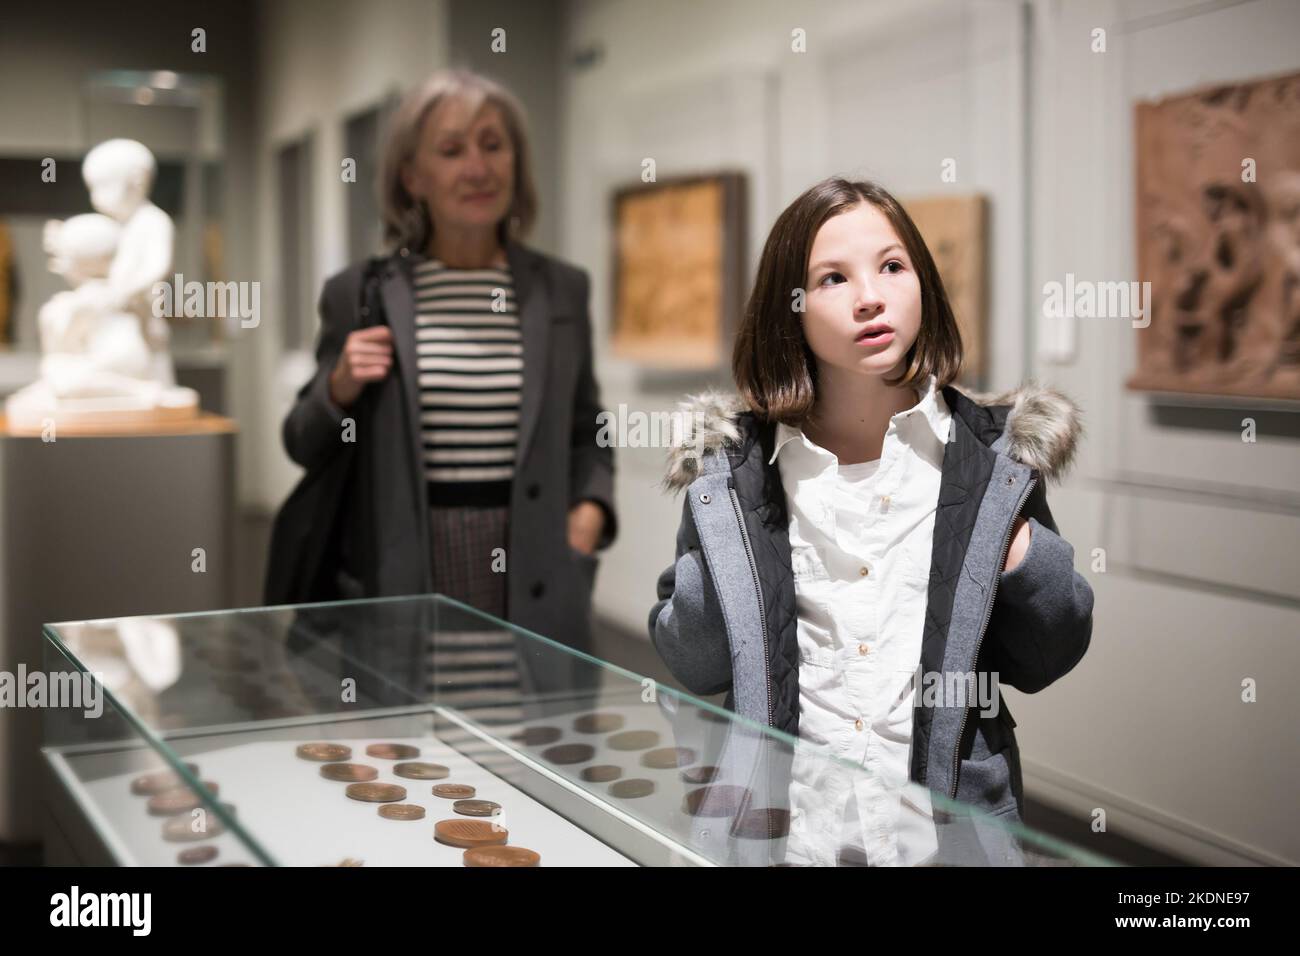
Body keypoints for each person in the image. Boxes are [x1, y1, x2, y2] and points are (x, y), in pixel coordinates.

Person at [648, 177, 1094, 865]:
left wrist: (1018, 548)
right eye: (832, 278)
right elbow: (697, 664)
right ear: (787, 309)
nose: (870, 297)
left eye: (892, 266)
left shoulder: (993, 457)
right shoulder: (734, 471)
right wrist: (721, 550)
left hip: (946, 837)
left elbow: (1048, 655)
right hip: (788, 835)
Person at [278, 69, 615, 704]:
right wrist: (340, 385)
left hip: (535, 571)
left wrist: (587, 519)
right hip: (405, 573)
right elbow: (300, 441)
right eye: (452, 149)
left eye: (493, 144)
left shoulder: (560, 290)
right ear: (412, 176)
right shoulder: (361, 293)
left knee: (533, 766)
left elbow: (587, 429)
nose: (477, 167)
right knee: (413, 771)